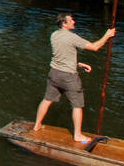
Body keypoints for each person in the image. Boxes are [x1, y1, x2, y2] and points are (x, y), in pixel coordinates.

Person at [33, 12, 117, 145]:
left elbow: (61, 54)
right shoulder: (72, 38)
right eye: (71, 20)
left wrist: (78, 64)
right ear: (64, 23)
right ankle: (77, 135)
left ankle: (37, 125)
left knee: (47, 99)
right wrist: (107, 35)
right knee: (77, 105)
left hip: (54, 73)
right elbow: (95, 47)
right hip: (68, 77)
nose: (74, 22)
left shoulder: (54, 35)